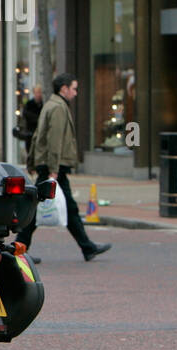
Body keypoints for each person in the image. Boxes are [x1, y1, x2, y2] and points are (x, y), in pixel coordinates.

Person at [17, 73, 110, 263]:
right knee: (43, 209)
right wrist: (53, 168)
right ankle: (18, 251)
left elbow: (37, 136)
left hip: (49, 165)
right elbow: (54, 140)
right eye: (74, 89)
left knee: (63, 207)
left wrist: (33, 161)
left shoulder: (50, 105)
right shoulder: (59, 108)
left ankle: (86, 247)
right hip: (53, 166)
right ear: (64, 89)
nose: (75, 93)